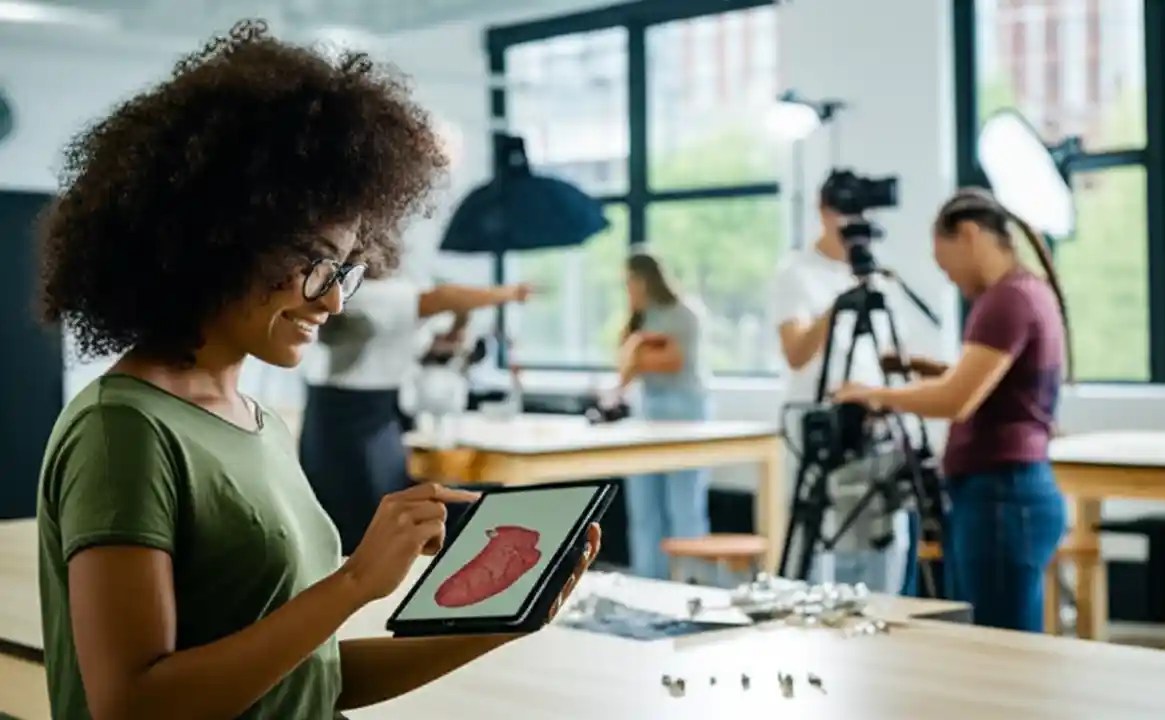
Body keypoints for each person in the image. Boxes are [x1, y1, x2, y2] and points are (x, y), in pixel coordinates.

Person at [32, 21, 600, 720]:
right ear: (222, 236)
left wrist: (502, 622)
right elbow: (135, 705)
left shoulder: (258, 423)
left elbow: (309, 679)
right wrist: (358, 580)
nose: (333, 298)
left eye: (347, 271)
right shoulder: (123, 430)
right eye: (315, 262)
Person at [833, 187, 1071, 632]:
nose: (949, 279)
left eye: (945, 263)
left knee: (999, 650)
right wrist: (921, 369)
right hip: (1011, 491)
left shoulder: (1005, 300)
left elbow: (957, 399)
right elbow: (998, 383)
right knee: (1001, 644)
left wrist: (876, 394)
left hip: (1001, 495)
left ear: (968, 235)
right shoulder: (1027, 291)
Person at [300, 275, 532, 555]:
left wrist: (459, 322)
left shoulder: (368, 299)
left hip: (360, 415)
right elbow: (447, 297)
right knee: (365, 526)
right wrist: (513, 292)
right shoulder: (370, 292)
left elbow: (427, 334)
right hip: (352, 424)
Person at [768, 172, 912, 593]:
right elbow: (795, 353)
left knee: (886, 534)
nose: (851, 220)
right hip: (822, 422)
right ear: (822, 211)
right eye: (843, 210)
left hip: (876, 421)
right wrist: (839, 307)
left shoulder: (878, 276)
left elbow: (891, 355)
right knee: (825, 541)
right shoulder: (796, 272)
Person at [612, 253, 712, 580]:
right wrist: (637, 349)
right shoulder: (640, 320)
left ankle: (690, 582)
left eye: (629, 281)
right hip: (647, 417)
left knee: (684, 507)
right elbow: (625, 368)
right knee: (644, 511)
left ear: (644, 279)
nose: (627, 289)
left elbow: (671, 361)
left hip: (685, 415)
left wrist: (638, 353)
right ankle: (647, 581)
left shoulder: (684, 314)